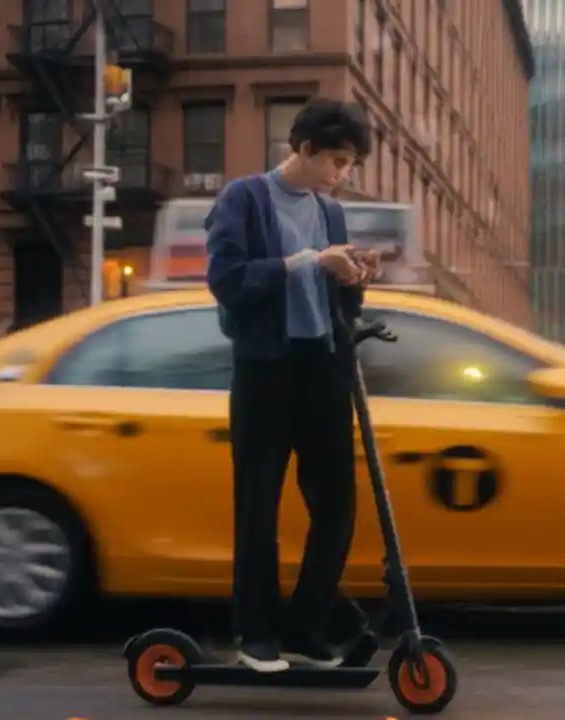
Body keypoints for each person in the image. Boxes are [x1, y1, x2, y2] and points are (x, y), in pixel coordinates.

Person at [203, 98, 381, 673]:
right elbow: (227, 281)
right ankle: (255, 633)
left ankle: (305, 625)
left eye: (350, 164)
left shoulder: (331, 213)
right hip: (264, 369)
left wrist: (356, 276)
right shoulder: (245, 198)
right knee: (260, 503)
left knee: (337, 506)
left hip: (322, 367)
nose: (342, 174)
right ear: (303, 148)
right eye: (337, 160)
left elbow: (340, 302)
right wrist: (303, 261)